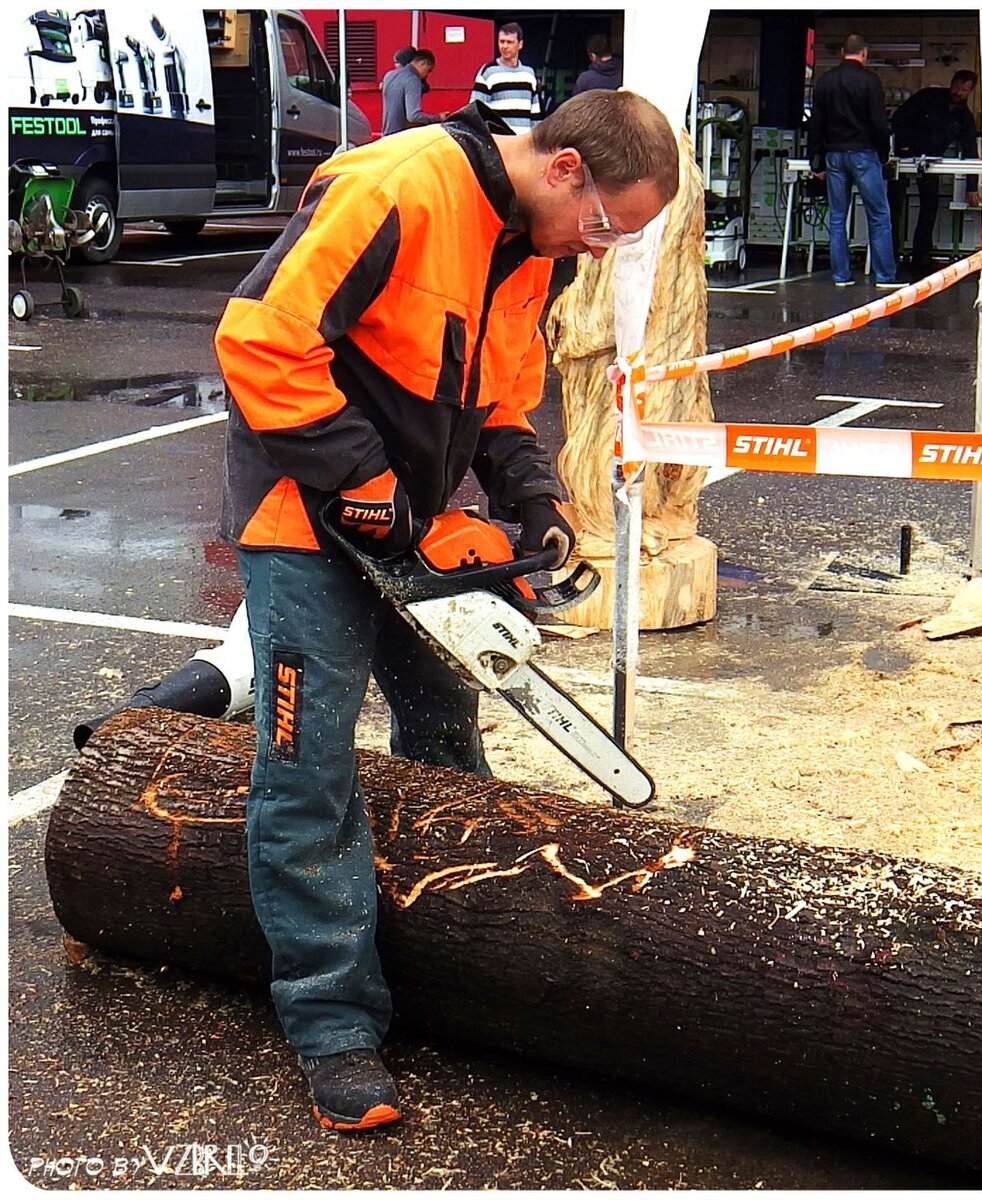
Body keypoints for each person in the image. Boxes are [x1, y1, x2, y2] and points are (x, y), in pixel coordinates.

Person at [212, 88, 679, 1134]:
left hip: (408, 514)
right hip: (305, 508)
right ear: (564, 168)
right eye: (604, 225)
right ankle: (333, 1024)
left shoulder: (532, 244)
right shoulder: (399, 187)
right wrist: (355, 477)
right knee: (310, 768)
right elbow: (260, 337)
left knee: (439, 724)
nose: (600, 251)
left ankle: (456, 929)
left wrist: (530, 489)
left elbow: (503, 387)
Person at [808, 34, 901, 289]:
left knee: (838, 217)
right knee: (879, 215)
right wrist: (884, 153)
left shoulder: (825, 81)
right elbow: (879, 123)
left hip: (834, 155)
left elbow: (815, 123)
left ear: (842, 52)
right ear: (864, 53)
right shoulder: (870, 81)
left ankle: (841, 276)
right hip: (864, 153)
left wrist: (815, 161)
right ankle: (884, 276)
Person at [888, 70, 981, 276]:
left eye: (964, 90)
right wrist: (902, 147)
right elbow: (899, 117)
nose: (959, 92)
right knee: (894, 205)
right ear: (951, 83)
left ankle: (920, 257)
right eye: (957, 87)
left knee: (930, 204)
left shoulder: (965, 117)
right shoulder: (928, 96)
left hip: (930, 162)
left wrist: (972, 186)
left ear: (970, 92)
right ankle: (889, 257)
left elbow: (970, 151)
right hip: (903, 156)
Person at [471, 21, 542, 133]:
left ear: (520, 45)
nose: (504, 46)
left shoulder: (529, 74)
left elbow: (535, 115)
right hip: (499, 142)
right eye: (501, 41)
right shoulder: (488, 72)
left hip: (522, 142)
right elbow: (475, 111)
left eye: (509, 42)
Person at [381, 48, 437, 136]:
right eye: (428, 71)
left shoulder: (388, 75)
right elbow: (413, 116)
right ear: (423, 63)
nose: (427, 75)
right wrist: (436, 118)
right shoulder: (413, 80)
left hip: (386, 134)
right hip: (402, 137)